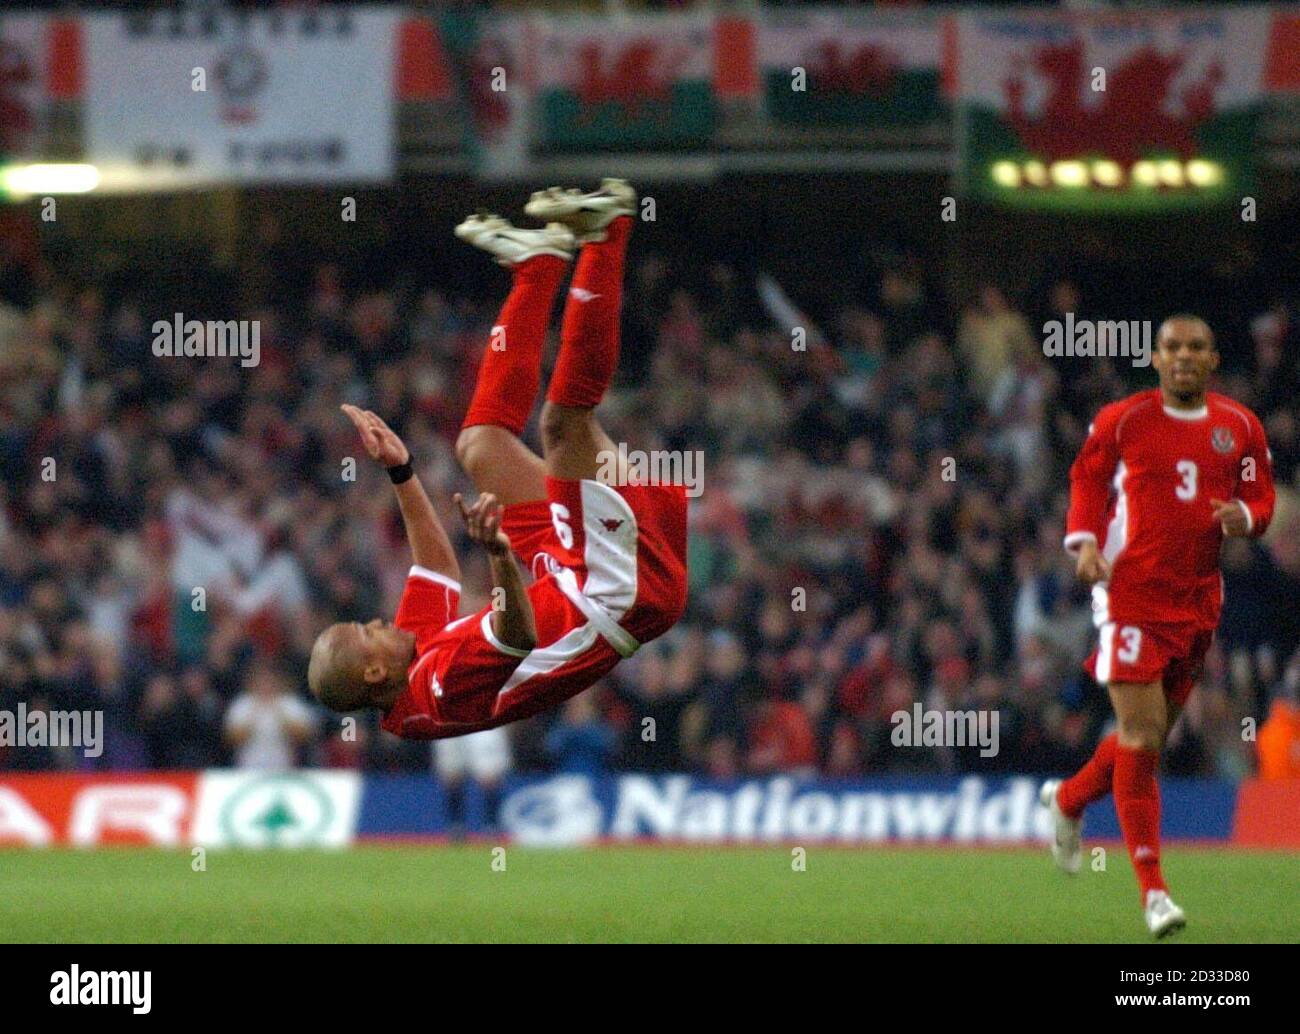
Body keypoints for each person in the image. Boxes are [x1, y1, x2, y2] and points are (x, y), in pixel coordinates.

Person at [307, 179, 688, 741]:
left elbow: (434, 566)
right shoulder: (438, 687)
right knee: (563, 427)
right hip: (615, 595)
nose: (378, 620)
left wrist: (401, 469)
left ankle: (538, 268)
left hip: (559, 572)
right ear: (373, 670)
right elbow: (518, 636)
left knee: (479, 447)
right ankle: (607, 233)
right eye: (368, 631)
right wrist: (498, 553)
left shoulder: (405, 657)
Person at [1039, 315, 1276, 938]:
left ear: (1213, 359)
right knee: (1141, 741)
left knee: (1145, 738)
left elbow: (1263, 498)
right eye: (1173, 347)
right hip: (1129, 594)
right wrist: (1085, 544)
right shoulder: (1123, 419)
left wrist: (1245, 519)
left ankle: (1066, 801)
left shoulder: (1240, 426)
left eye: (1197, 347)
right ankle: (1154, 893)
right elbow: (1086, 478)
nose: (1184, 357)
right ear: (1155, 357)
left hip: (1197, 601)